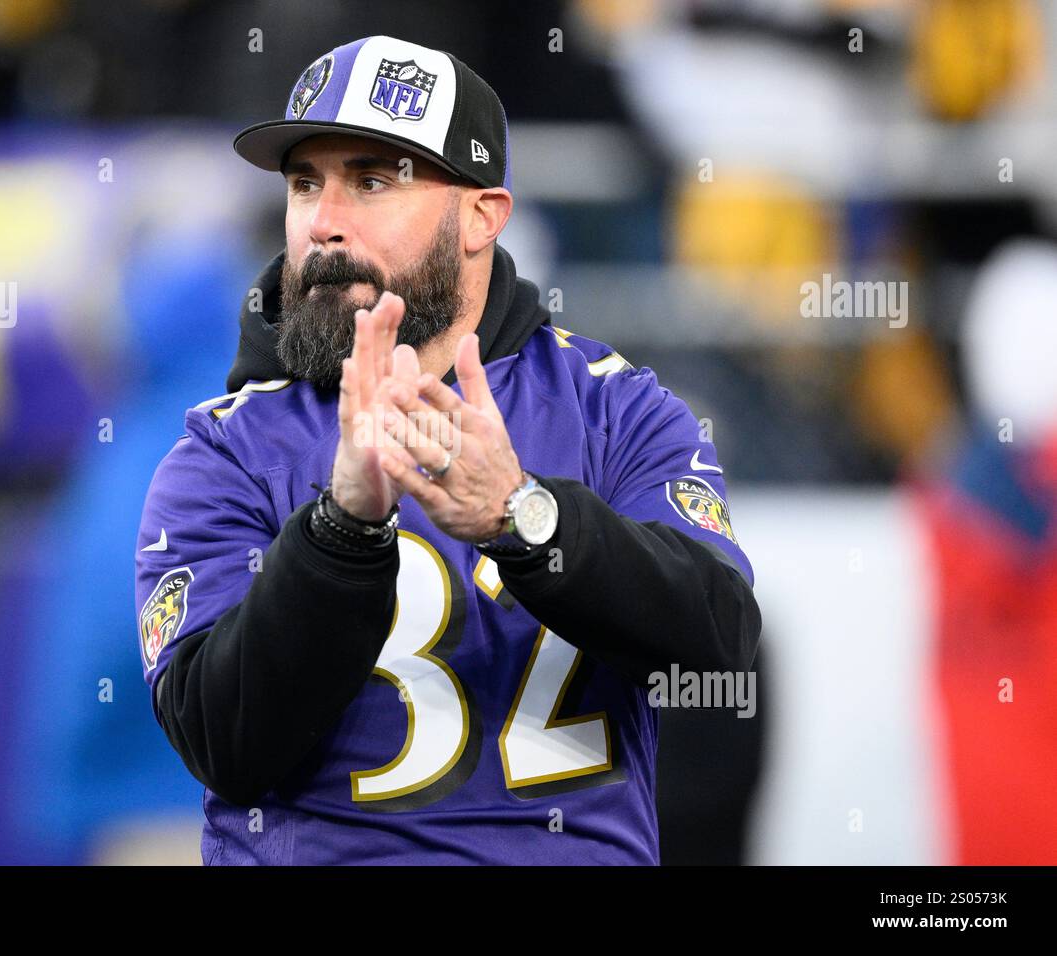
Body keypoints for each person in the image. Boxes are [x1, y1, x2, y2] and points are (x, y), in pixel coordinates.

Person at [135, 35, 761, 865]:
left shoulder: (615, 410)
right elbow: (225, 746)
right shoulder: (226, 451)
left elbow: (719, 647)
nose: (323, 222)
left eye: (369, 182)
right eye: (303, 184)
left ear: (481, 217)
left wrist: (529, 519)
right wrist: (341, 533)